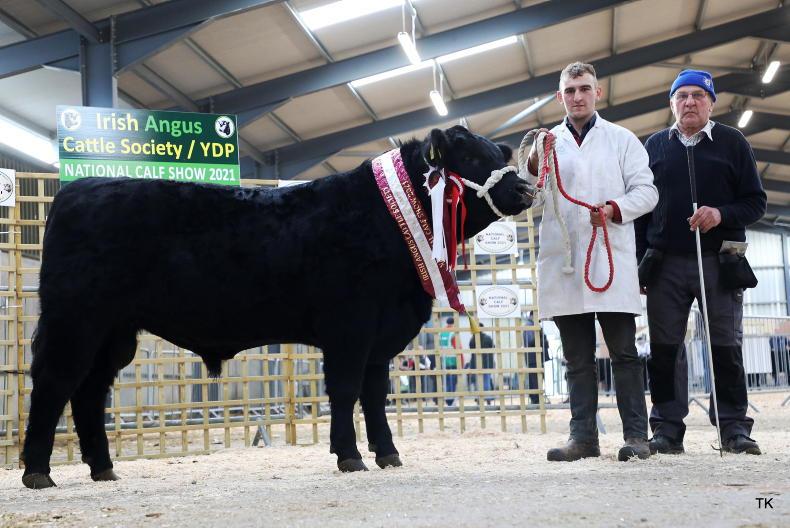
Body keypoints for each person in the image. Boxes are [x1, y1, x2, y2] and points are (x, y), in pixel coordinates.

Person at [527, 61, 658, 462]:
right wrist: (532, 167)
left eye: (584, 89)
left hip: (609, 257)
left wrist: (617, 209)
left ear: (597, 92)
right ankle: (583, 438)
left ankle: (637, 436)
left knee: (623, 353)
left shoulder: (621, 139)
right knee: (576, 359)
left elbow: (647, 192)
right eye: (570, 91)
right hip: (565, 262)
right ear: (559, 96)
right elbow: (530, 199)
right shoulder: (545, 143)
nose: (577, 97)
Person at [635, 70, 767, 456]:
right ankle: (666, 429)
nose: (689, 102)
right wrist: (642, 263)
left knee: (725, 345)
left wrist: (721, 214)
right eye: (681, 96)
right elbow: (641, 211)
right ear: (671, 103)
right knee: (664, 348)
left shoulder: (733, 142)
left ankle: (734, 428)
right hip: (665, 264)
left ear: (712, 102)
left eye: (697, 95)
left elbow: (755, 202)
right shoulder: (654, 146)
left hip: (721, 260)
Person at [521, 312, 550, 404]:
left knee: (536, 378)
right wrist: (541, 338)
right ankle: (535, 399)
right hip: (533, 356)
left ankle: (536, 398)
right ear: (533, 315)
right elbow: (530, 342)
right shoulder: (530, 326)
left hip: (535, 356)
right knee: (534, 379)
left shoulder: (533, 325)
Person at [468, 325, 495, 404]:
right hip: (487, 363)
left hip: (476, 364)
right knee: (486, 382)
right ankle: (488, 399)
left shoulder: (472, 339)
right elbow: (493, 347)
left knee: (477, 382)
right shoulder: (488, 338)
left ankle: (479, 399)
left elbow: (471, 349)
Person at [438, 316, 462, 406]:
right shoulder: (453, 332)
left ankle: (448, 400)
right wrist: (461, 362)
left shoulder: (441, 332)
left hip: (444, 361)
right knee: (453, 382)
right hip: (453, 361)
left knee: (446, 382)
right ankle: (451, 401)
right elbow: (458, 348)